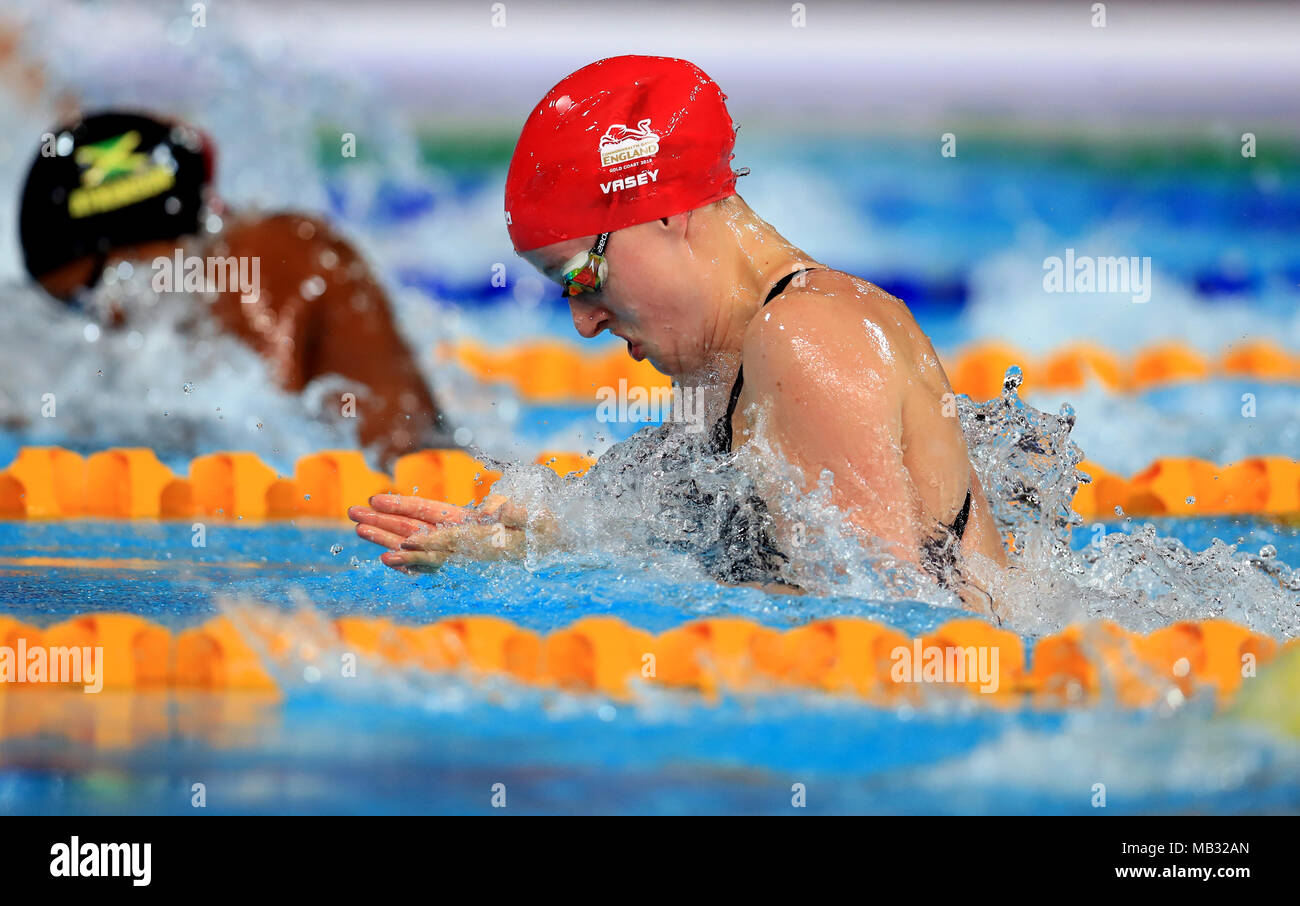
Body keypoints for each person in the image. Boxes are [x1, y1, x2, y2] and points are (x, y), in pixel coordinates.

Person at [350, 55, 1007, 605]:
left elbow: (886, 628)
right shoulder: (739, 362)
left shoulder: (806, 338)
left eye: (581, 274)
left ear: (665, 216)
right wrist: (524, 544)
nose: (583, 322)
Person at [18, 109, 452, 468]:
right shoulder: (200, 288)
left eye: (88, 298)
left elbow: (264, 431)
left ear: (138, 248)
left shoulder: (267, 253)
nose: (101, 320)